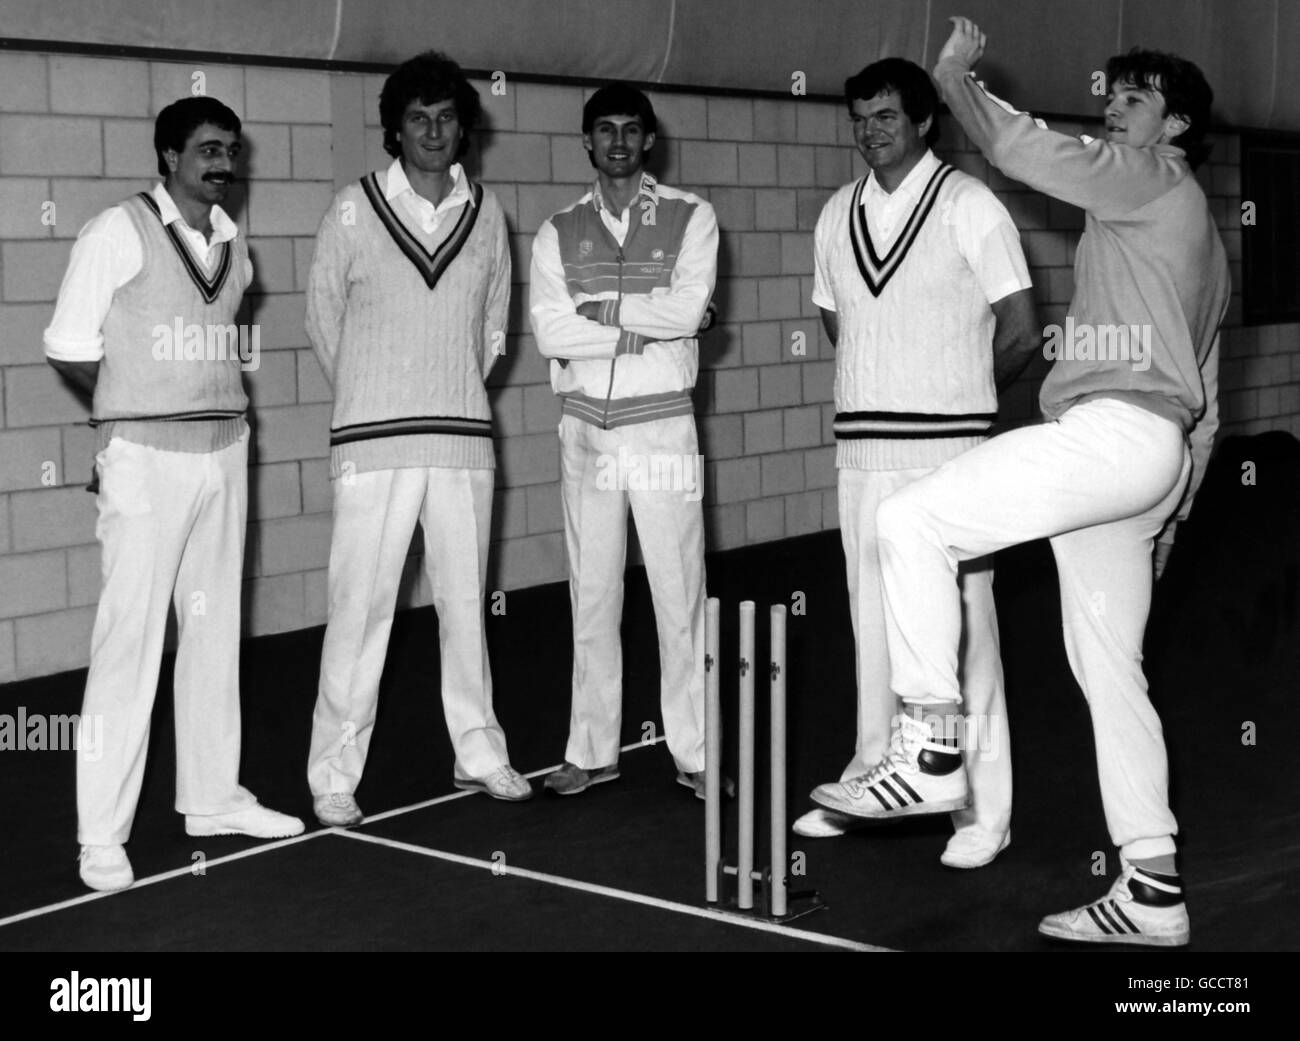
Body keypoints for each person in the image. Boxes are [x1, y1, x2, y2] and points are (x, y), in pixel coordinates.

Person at [856, 17, 1228, 945]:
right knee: (1113, 676)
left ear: (1177, 127)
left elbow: (1024, 149)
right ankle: (1152, 889)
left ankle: (932, 746)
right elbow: (1208, 398)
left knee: (908, 519)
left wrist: (955, 79)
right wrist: (1170, 510)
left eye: (1135, 99)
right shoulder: (1199, 237)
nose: (1113, 109)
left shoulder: (1148, 177)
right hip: (1148, 462)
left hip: (1112, 437)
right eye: (1114, 94)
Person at [44, 96, 305, 892]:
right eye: (206, 150)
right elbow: (67, 343)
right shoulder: (117, 230)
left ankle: (212, 798)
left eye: (230, 150)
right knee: (128, 643)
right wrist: (127, 417)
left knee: (214, 630)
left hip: (225, 450)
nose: (222, 164)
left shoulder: (234, 240)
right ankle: (100, 833)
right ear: (168, 157)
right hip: (145, 459)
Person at [797, 58, 1037, 870]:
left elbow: (1021, 329)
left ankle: (982, 808)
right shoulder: (836, 212)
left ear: (926, 121)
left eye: (887, 117)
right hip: (864, 449)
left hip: (949, 453)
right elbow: (843, 323)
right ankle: (872, 773)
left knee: (965, 632)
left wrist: (956, 396)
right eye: (860, 118)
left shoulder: (971, 204)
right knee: (873, 623)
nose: (870, 132)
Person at [305, 51, 529, 826]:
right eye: (417, 118)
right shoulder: (351, 208)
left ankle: (480, 752)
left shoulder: (488, 214)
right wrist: (376, 395)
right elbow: (323, 320)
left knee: (465, 608)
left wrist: (447, 391)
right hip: (372, 444)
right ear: (394, 130)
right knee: (360, 611)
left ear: (464, 129)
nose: (433, 131)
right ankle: (334, 772)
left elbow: (494, 328)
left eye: (446, 118)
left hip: (462, 438)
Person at [529, 84, 721, 798]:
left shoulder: (690, 215)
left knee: (679, 593)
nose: (618, 141)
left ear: (649, 140)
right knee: (592, 593)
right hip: (585, 430)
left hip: (662, 427)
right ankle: (591, 750)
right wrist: (645, 324)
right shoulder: (557, 230)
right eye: (605, 130)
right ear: (587, 141)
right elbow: (549, 331)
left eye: (630, 130)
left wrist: (602, 310)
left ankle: (696, 753)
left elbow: (689, 310)